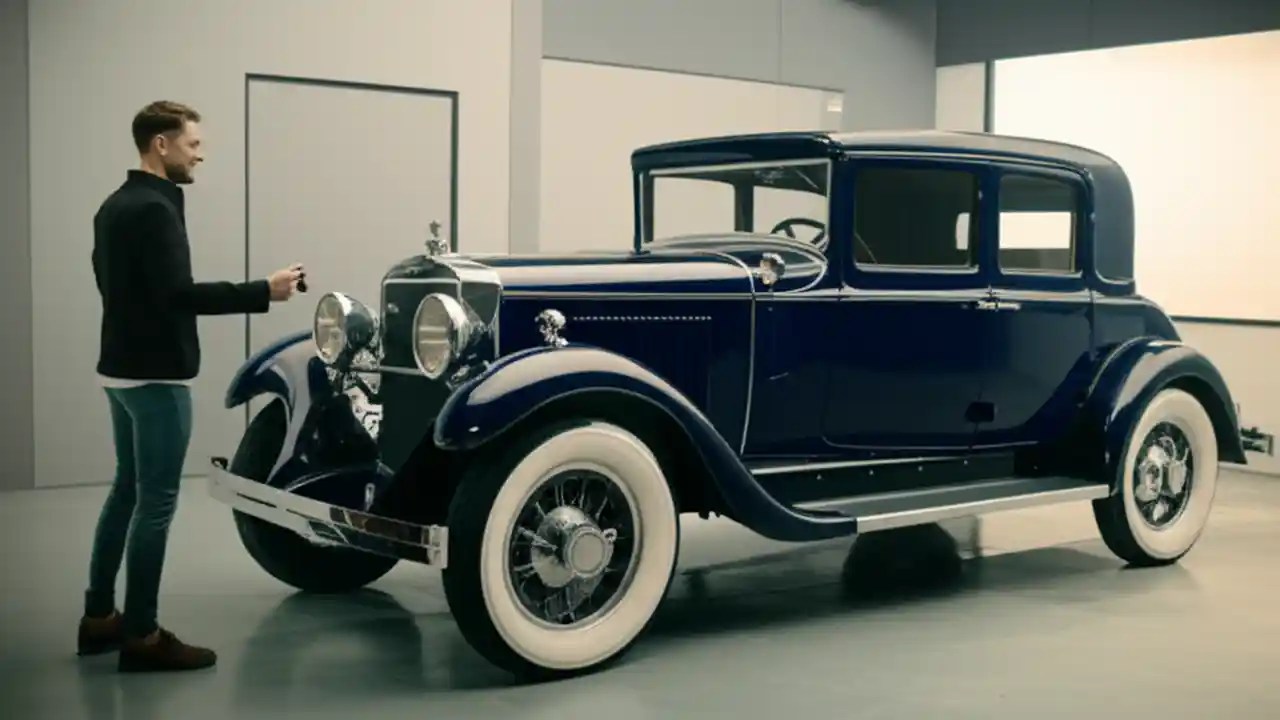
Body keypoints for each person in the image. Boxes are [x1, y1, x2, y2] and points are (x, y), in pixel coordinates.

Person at [77, 100, 304, 673]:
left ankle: (100, 617)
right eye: (192, 142)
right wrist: (264, 290)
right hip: (156, 377)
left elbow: (109, 281)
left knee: (125, 491)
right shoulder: (154, 208)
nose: (200, 152)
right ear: (161, 144)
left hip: (120, 370)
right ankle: (143, 636)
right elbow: (179, 294)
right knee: (155, 503)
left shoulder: (114, 205)